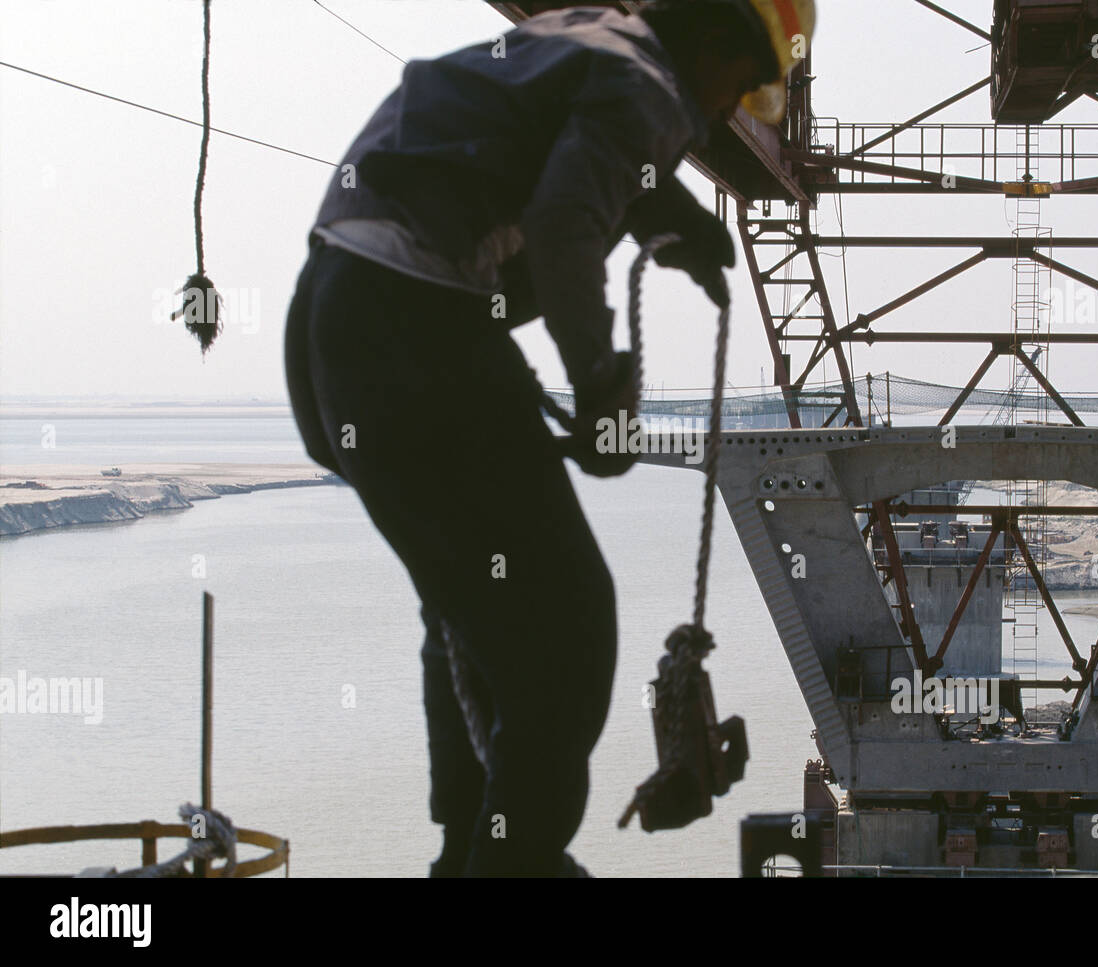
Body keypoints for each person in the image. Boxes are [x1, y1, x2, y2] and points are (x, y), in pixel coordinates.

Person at [283, 0, 816, 876]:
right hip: (416, 319)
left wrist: (666, 215)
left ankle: (470, 843)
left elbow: (565, 137)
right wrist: (604, 387)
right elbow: (569, 218)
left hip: (335, 328)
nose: (733, 108)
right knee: (568, 623)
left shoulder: (586, 33)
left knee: (467, 606)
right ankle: (515, 857)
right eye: (747, 82)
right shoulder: (649, 81)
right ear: (716, 35)